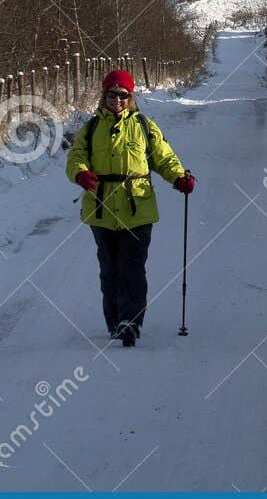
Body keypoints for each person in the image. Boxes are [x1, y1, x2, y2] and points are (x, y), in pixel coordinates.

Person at [66, 69, 195, 347]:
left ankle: (131, 322)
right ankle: (114, 321)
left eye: (124, 95)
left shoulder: (145, 127)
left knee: (132, 267)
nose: (118, 100)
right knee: (109, 269)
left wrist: (179, 178)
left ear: (131, 96)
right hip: (101, 209)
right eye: (112, 94)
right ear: (104, 96)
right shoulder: (89, 129)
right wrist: (80, 173)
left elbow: (164, 157)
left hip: (138, 208)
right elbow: (75, 158)